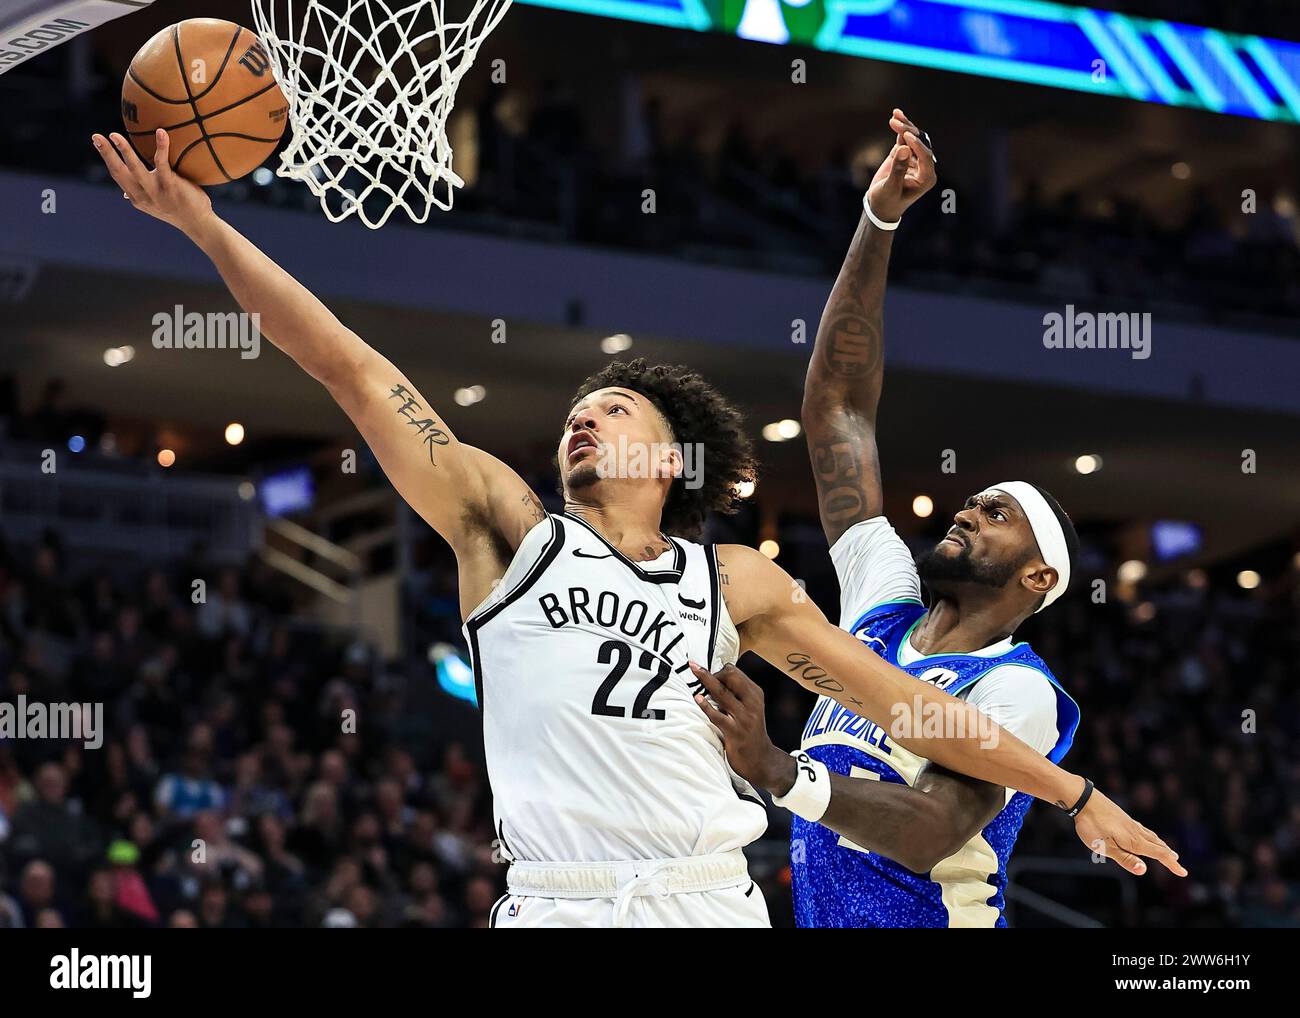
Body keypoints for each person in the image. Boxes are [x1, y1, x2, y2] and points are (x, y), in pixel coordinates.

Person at [91, 126, 1182, 928]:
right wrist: (204, 225)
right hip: (555, 901)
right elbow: (344, 363)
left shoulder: (739, 584)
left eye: (614, 410)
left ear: (667, 462)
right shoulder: (504, 528)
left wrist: (1075, 793)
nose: (582, 415)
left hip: (708, 896)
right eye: (576, 409)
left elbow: (915, 713)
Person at [690, 110, 1137, 927]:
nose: (969, 508)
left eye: (997, 514)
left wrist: (777, 768)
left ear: (1038, 576)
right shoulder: (882, 602)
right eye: (974, 499)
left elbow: (930, 831)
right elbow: (838, 413)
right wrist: (879, 220)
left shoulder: (1016, 689)